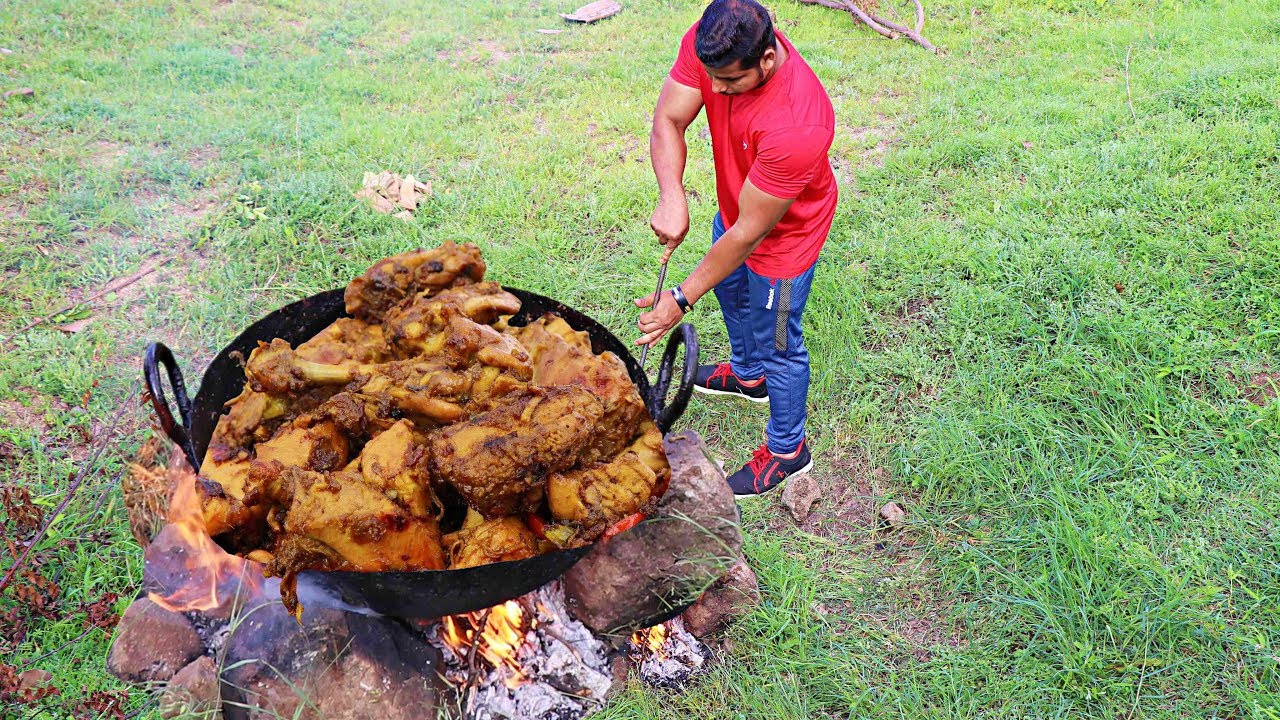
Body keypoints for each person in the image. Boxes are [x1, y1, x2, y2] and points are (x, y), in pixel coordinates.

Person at [634, 0, 837, 496]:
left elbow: (750, 234)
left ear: (766, 59)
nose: (718, 92)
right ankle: (748, 377)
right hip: (738, 206)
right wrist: (672, 194)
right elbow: (669, 119)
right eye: (713, 80)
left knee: (780, 343)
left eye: (729, 83)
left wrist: (679, 299)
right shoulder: (715, 42)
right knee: (731, 292)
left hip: (786, 241)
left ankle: (789, 450)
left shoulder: (798, 122)